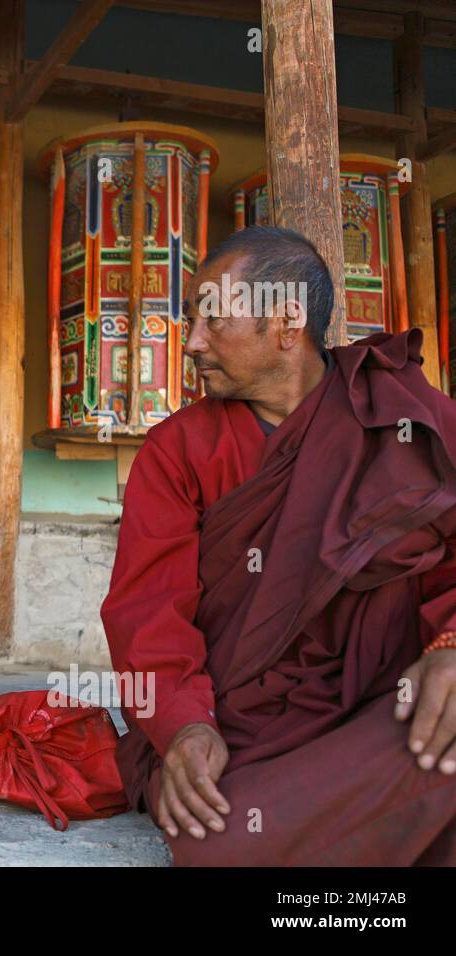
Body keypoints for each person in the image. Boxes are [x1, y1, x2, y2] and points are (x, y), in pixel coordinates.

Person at [101, 225, 456, 865]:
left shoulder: (402, 414)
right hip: (244, 729)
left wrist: (451, 648)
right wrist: (183, 727)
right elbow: (146, 611)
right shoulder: (179, 451)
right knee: (222, 842)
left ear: (287, 320)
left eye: (212, 320)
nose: (191, 343)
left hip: (388, 701)